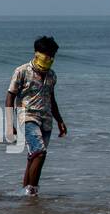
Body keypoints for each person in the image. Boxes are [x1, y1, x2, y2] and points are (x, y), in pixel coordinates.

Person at [6, 36, 66, 196]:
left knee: (34, 156)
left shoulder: (52, 75)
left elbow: (52, 99)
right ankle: (32, 191)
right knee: (39, 151)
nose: (49, 58)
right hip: (27, 116)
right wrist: (9, 123)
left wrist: (60, 120)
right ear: (36, 53)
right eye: (46, 54)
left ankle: (26, 192)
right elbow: (10, 97)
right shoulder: (22, 71)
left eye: (52, 55)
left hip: (46, 120)